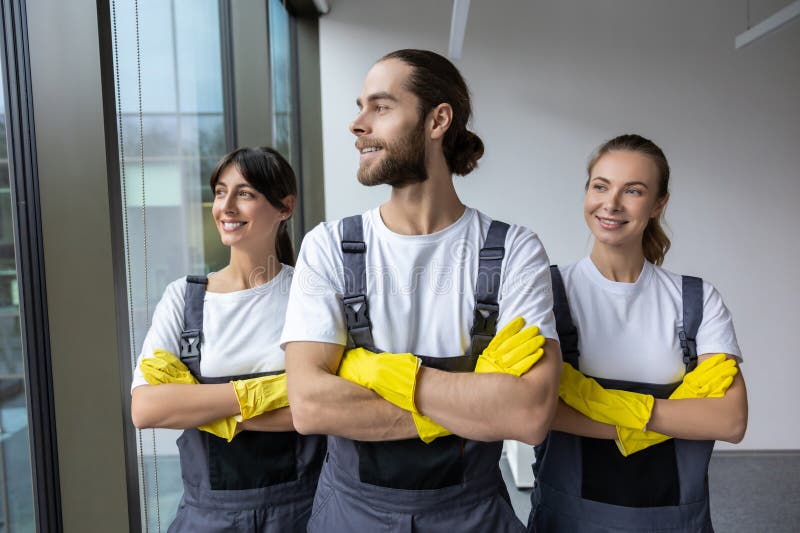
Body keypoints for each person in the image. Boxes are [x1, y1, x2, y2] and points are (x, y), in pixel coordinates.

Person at [281, 49, 561, 532]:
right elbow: (309, 405)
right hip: (351, 516)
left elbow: (530, 413)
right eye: (359, 106)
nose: (357, 123)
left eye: (380, 107)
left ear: (438, 120)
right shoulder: (327, 246)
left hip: (472, 517)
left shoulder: (515, 251)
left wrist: (373, 372)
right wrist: (479, 399)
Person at [529, 134, 748, 532]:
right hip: (567, 523)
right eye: (601, 186)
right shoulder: (544, 293)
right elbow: (531, 410)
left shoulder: (695, 301)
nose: (611, 204)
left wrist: (595, 409)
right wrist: (677, 415)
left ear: (659, 203)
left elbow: (730, 420)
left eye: (633, 190)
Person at [130, 147, 325, 533]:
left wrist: (200, 405)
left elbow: (321, 409)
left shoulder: (311, 293)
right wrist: (269, 393)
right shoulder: (183, 299)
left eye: (246, 193)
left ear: (285, 207)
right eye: (220, 192)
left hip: (303, 516)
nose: (227, 206)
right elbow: (147, 408)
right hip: (207, 520)